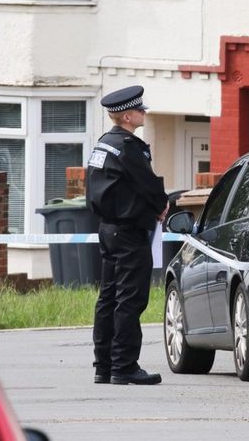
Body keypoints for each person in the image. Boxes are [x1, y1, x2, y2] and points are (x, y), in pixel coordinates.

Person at [86, 85, 169, 385]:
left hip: (108, 230)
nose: (143, 112)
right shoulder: (128, 147)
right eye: (139, 109)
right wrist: (161, 205)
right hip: (129, 232)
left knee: (108, 298)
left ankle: (104, 366)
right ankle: (124, 366)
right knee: (130, 299)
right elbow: (146, 183)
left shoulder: (103, 144)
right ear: (126, 117)